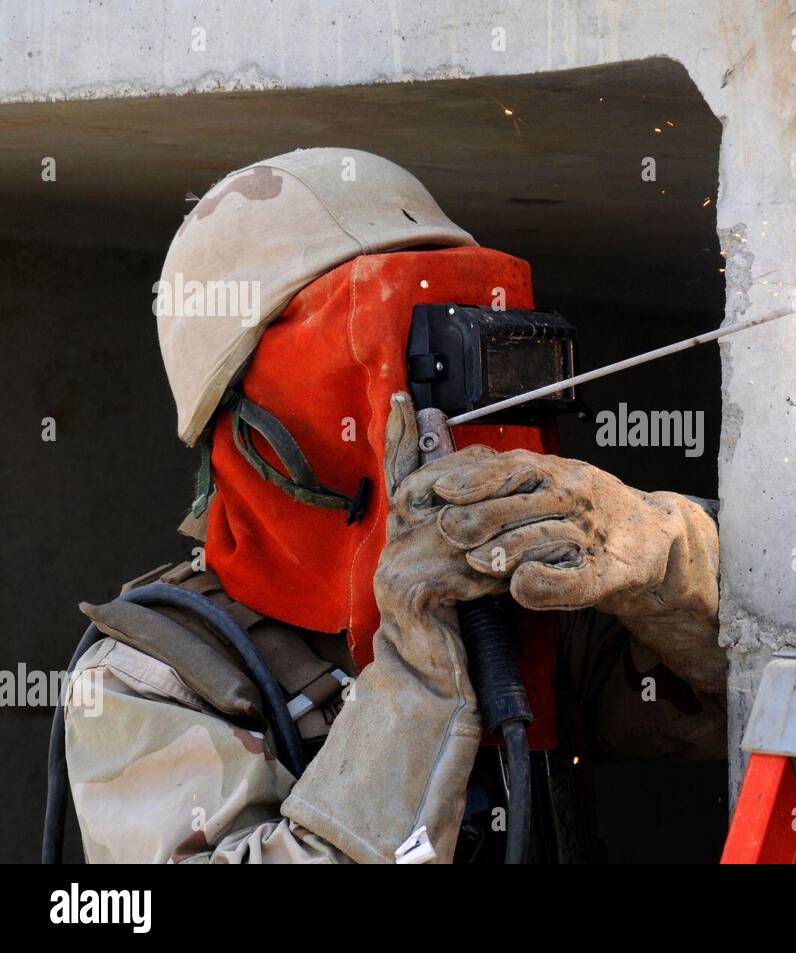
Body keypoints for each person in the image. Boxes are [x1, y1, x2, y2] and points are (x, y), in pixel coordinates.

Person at [62, 148, 726, 863]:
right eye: (393, 348)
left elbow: (747, 710)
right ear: (247, 414)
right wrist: (415, 689)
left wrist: (667, 557)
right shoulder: (153, 673)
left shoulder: (531, 607)